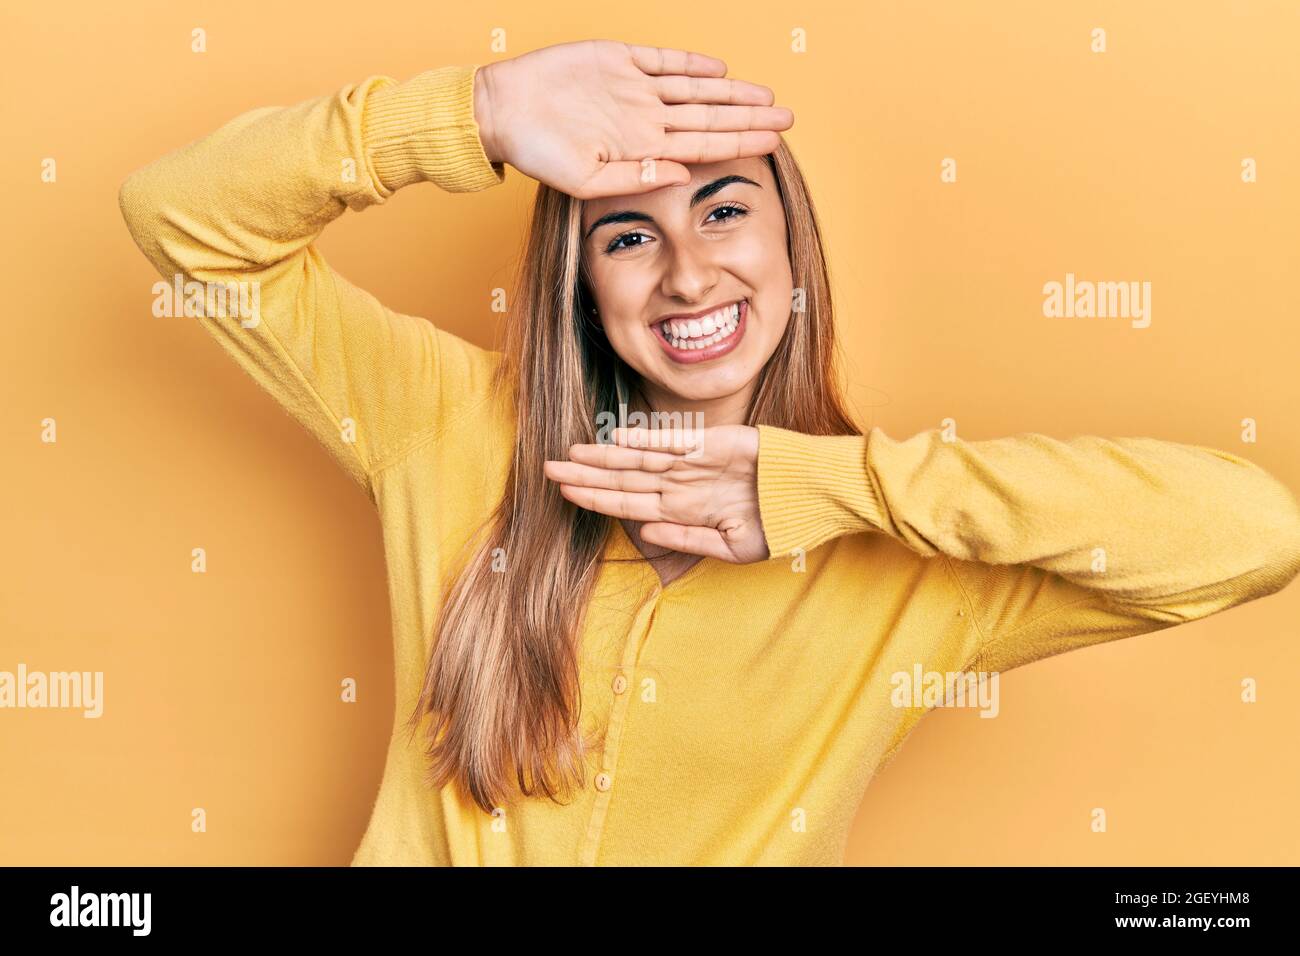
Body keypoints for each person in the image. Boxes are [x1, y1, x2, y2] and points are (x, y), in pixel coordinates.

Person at [118, 39, 1300, 866]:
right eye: (629, 235)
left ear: (796, 257)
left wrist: (826, 485)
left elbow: (1252, 533)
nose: (686, 273)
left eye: (726, 209)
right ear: (581, 287)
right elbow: (179, 219)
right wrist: (468, 112)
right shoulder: (447, 422)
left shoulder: (905, 552)